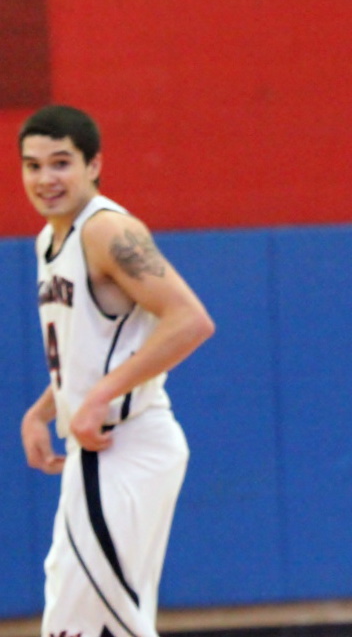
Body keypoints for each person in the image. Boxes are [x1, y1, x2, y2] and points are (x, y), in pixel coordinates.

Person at [18, 105, 215, 637]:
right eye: (33, 166)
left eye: (60, 163)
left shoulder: (106, 230)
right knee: (87, 621)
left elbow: (190, 320)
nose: (45, 178)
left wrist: (100, 396)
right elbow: (89, 349)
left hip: (126, 442)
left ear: (93, 165)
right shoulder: (49, 240)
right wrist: (41, 412)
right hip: (99, 448)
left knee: (89, 625)